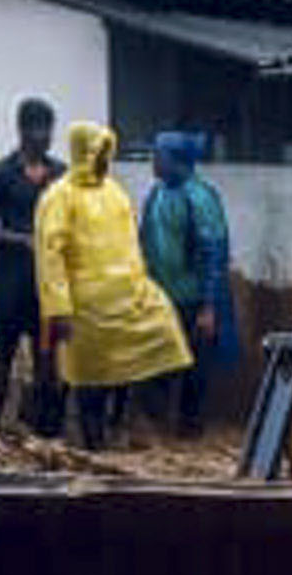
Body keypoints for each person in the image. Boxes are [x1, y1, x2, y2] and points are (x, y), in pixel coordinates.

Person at [30, 120, 189, 446]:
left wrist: (141, 285)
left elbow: (131, 244)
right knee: (91, 381)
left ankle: (132, 427)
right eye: (96, 152)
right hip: (85, 309)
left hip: (128, 300)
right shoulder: (59, 197)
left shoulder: (115, 192)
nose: (103, 159)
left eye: (106, 152)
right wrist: (58, 309)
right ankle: (93, 443)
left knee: (165, 345)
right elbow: (50, 257)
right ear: (82, 152)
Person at [137, 129, 239, 437]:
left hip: (194, 298)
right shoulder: (156, 194)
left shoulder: (199, 197)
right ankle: (158, 425)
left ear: (176, 161)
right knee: (159, 362)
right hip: (162, 295)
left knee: (195, 367)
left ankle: (189, 428)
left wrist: (209, 306)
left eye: (158, 156)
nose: (153, 162)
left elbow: (213, 252)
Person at [0, 96, 63, 436]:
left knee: (46, 352)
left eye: (48, 129)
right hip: (11, 276)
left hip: (47, 279)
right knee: (4, 351)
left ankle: (42, 423)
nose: (43, 136)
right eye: (36, 128)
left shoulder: (60, 173)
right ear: (21, 130)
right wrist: (21, 240)